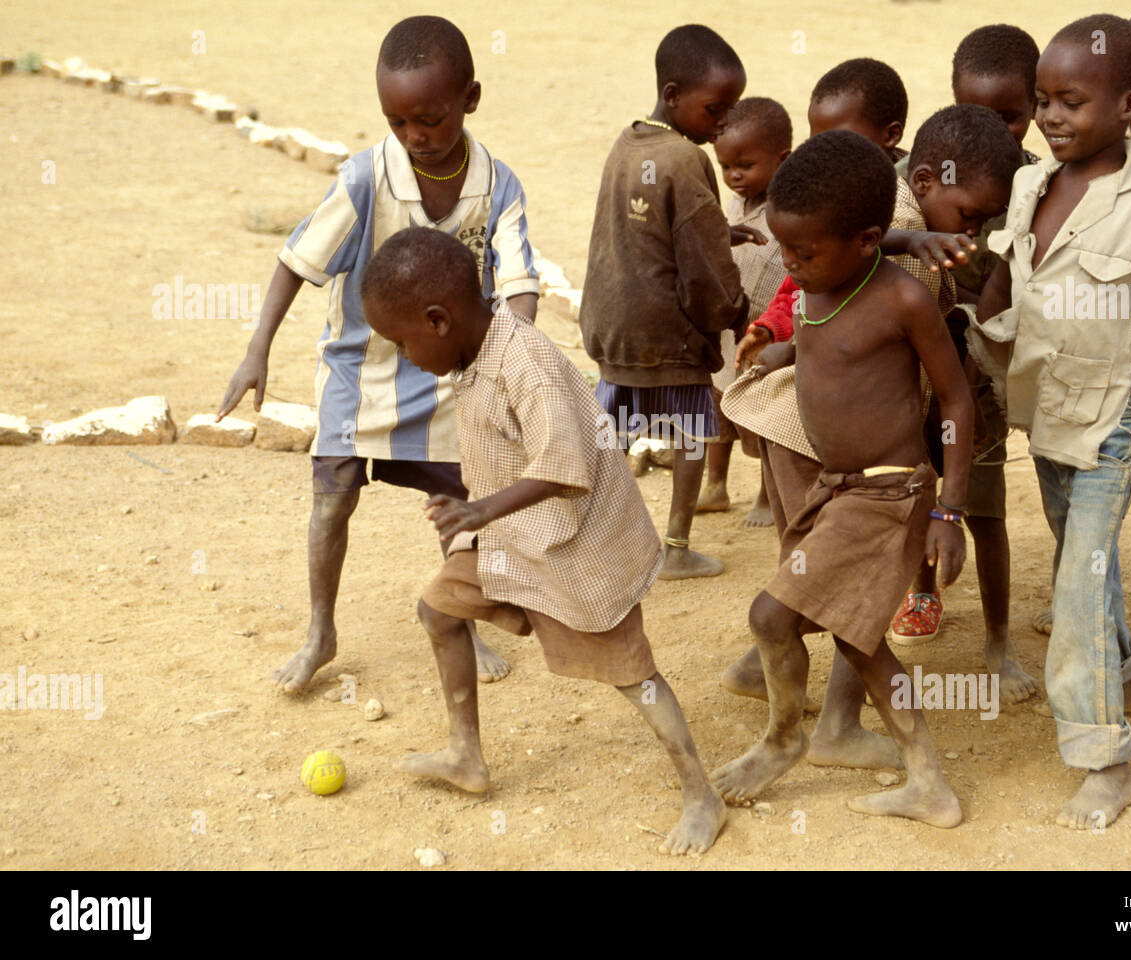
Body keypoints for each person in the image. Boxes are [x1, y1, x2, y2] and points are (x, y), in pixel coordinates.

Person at [362, 227, 727, 855]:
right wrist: (481, 514)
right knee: (438, 610)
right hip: (508, 539)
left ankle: (701, 794)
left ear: (438, 320)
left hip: (572, 548)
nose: (403, 354)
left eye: (401, 341)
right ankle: (465, 754)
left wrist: (479, 509)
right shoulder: (473, 353)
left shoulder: (525, 362)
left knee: (630, 672)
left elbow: (563, 468)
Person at [216, 15, 538, 691]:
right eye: (397, 123)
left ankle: (464, 620)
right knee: (331, 501)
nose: (414, 137)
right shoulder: (364, 179)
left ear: (469, 99)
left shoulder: (498, 187)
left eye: (429, 119)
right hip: (357, 376)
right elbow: (294, 262)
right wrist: (256, 349)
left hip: (450, 378)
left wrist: (513, 364)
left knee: (458, 504)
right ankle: (320, 632)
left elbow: (518, 287)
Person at [969, 15, 1131, 828]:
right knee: (1086, 557)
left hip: (1111, 420)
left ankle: (1104, 756)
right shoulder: (1030, 186)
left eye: (1071, 102)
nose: (1050, 117)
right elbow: (1008, 280)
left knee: (1077, 583)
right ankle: (1128, 665)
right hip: (1043, 411)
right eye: (1042, 100)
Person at [710, 131, 973, 828]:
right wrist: (776, 356)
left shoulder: (902, 300)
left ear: (862, 241)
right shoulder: (821, 281)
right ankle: (927, 783)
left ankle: (784, 738)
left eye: (802, 253)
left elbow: (955, 399)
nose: (790, 267)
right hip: (838, 485)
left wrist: (950, 513)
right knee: (857, 640)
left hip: (889, 491)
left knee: (771, 615)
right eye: (784, 251)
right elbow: (827, 340)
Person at [887, 24, 1044, 699]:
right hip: (912, 387)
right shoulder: (904, 190)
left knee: (984, 512)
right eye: (980, 111)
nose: (998, 129)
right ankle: (922, 592)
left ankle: (1000, 640)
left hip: (974, 386)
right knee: (920, 498)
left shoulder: (1030, 185)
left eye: (1011, 115)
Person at [579, 24, 755, 580]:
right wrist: (735, 309)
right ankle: (675, 547)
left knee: (614, 438)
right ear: (674, 95)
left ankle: (604, 546)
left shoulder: (625, 143)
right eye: (716, 108)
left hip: (613, 327)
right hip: (666, 331)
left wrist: (720, 232)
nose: (724, 121)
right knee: (690, 431)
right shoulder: (685, 159)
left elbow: (642, 229)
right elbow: (702, 269)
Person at [698, 97, 792, 528]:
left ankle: (767, 494)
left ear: (782, 159)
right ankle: (715, 484)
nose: (735, 176)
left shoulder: (790, 213)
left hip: (765, 334)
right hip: (725, 331)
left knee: (763, 419)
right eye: (726, 167)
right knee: (718, 409)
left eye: (746, 166)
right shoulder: (732, 203)